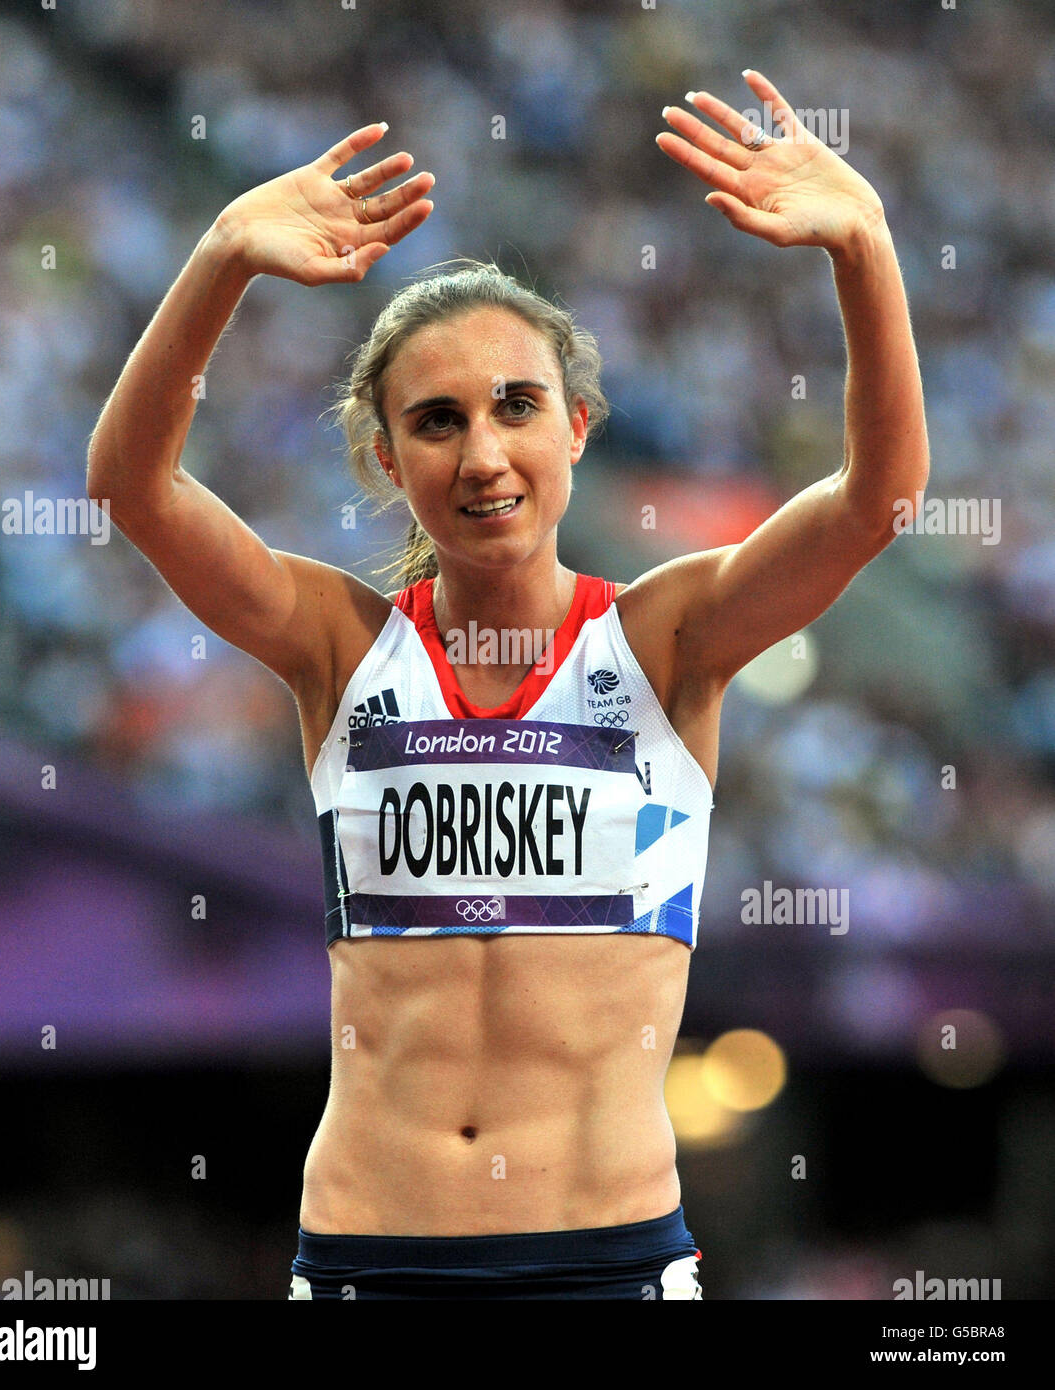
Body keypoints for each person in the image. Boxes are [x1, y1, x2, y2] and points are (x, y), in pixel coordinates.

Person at [86, 70, 928, 1300]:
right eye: (436, 421)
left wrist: (865, 247)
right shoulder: (341, 644)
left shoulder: (666, 643)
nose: (483, 454)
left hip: (612, 1258)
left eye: (517, 407)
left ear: (579, 426)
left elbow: (878, 501)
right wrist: (223, 256)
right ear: (388, 457)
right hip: (374, 1256)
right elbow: (132, 490)